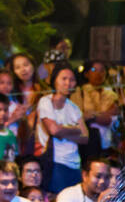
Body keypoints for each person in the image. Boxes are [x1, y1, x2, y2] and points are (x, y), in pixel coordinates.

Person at [34, 62, 89, 194]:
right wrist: (75, 129)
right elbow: (53, 130)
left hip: (75, 164)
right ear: (55, 81)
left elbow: (85, 137)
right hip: (55, 162)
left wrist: (63, 130)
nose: (68, 83)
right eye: (63, 79)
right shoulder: (46, 101)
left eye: (72, 80)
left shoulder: (74, 107)